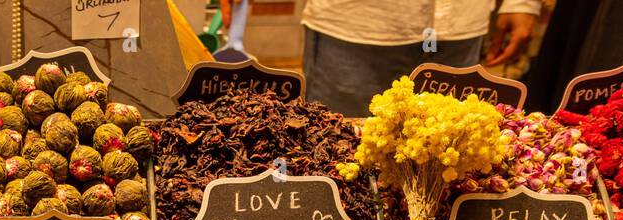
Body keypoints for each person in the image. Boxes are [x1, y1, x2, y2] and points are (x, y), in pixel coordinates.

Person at [222, 0, 541, 116]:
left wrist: (522, 2)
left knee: (448, 170)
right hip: (357, 28)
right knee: (342, 162)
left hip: (458, 26)